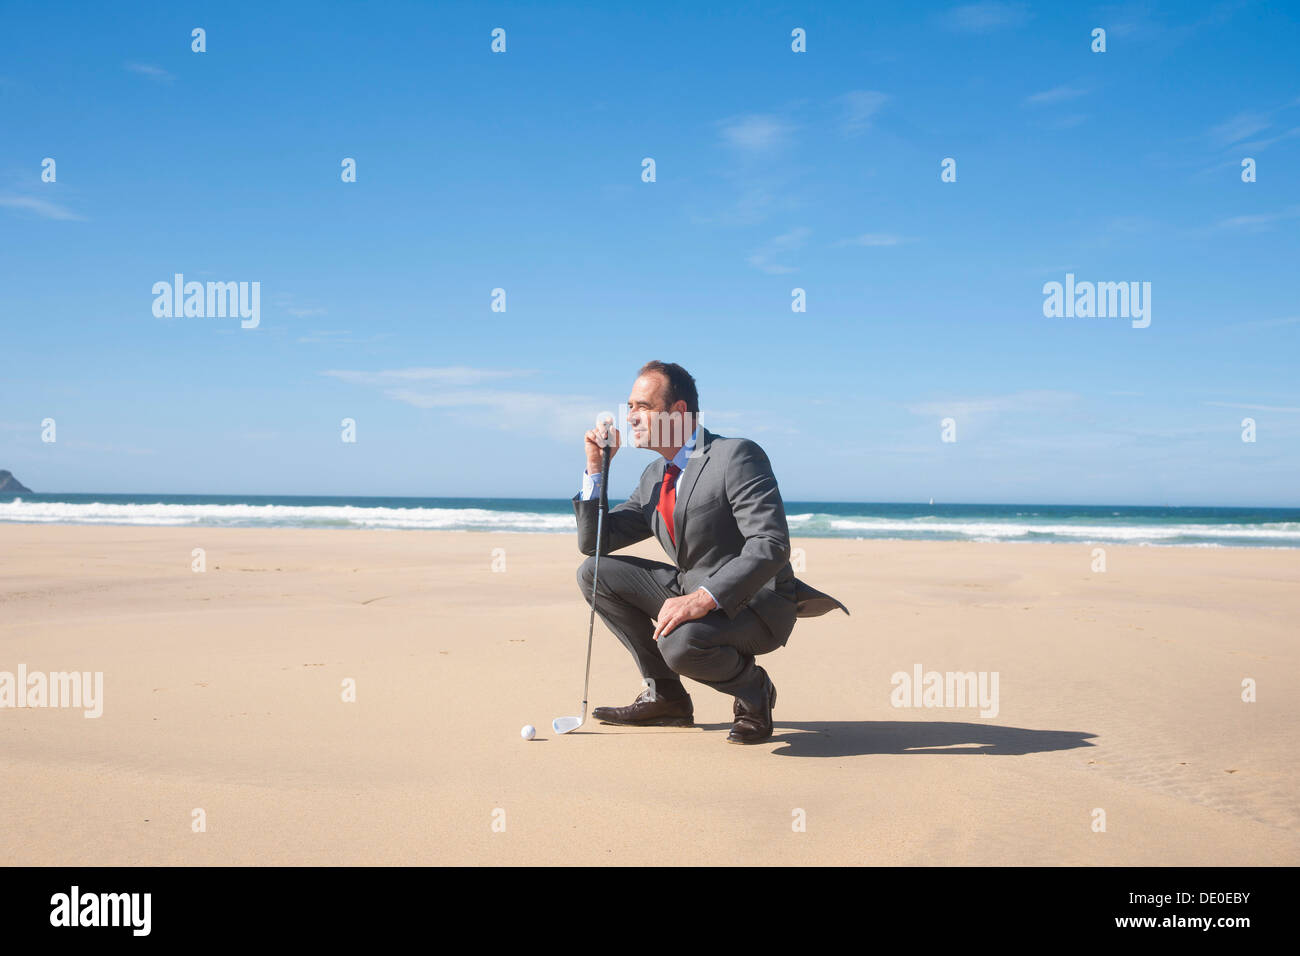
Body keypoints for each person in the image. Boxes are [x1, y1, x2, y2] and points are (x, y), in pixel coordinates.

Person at [574, 361, 848, 745]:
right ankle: (666, 696)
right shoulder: (654, 476)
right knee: (593, 571)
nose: (630, 417)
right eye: (629, 407)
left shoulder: (735, 455)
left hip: (753, 604)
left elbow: (770, 544)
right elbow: (596, 542)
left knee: (679, 642)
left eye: (642, 407)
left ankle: (753, 690)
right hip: (690, 591)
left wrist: (702, 599)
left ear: (678, 412)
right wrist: (596, 469)